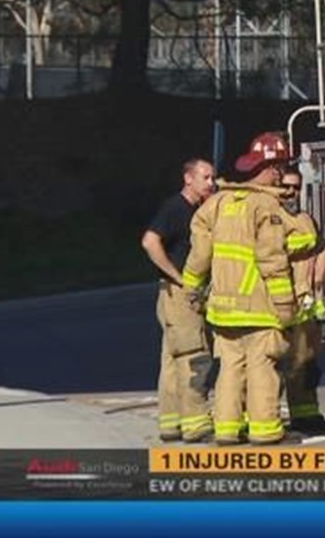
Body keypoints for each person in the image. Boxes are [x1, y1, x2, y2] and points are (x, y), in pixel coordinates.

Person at [181, 132, 314, 446]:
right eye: (280, 168)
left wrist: (192, 287)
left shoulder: (218, 203)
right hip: (258, 307)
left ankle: (227, 430)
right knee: (262, 368)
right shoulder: (265, 207)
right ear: (270, 170)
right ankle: (266, 431)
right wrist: (285, 307)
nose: (282, 175)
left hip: (223, 308)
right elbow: (273, 260)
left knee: (229, 368)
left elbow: (199, 254)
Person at [141, 158, 216, 443]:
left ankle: (170, 423)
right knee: (193, 356)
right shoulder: (175, 208)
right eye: (205, 177)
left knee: (171, 359)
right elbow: (150, 241)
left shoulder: (198, 210)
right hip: (180, 294)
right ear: (188, 178)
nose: (211, 183)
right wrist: (179, 277)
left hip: (172, 295)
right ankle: (196, 424)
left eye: (212, 178)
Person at [278, 166, 325, 434]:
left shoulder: (306, 220)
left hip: (305, 303)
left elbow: (322, 247)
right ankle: (264, 419)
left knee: (307, 363)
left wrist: (318, 282)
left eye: (295, 187)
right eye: (286, 187)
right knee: (275, 366)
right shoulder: (270, 218)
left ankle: (307, 415)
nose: (291, 192)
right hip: (278, 302)